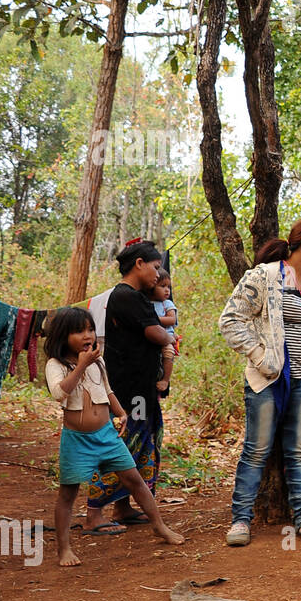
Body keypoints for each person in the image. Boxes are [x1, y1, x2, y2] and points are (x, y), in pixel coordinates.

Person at [220, 219, 301, 547]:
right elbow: (230, 320)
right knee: (256, 450)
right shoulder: (264, 277)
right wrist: (261, 357)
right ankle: (241, 520)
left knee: (299, 453)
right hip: (269, 380)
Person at [44, 307, 183, 565]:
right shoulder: (57, 365)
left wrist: (121, 413)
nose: (87, 335)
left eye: (90, 329)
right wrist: (81, 365)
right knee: (68, 494)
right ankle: (64, 549)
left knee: (135, 480)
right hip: (77, 440)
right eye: (78, 331)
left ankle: (159, 526)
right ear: (62, 336)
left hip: (107, 434)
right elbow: (59, 393)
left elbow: (107, 391)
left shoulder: (98, 361)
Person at [86, 239, 174, 533]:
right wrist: (168, 336)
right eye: (155, 267)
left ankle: (123, 507)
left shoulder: (138, 297)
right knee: (123, 446)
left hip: (143, 387)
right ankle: (94, 515)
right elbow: (158, 335)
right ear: (139, 264)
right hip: (128, 390)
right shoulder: (127, 297)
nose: (157, 274)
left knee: (144, 445)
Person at [148, 268, 178, 395]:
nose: (167, 290)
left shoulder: (167, 304)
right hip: (152, 337)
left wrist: (154, 320)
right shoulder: (146, 302)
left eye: (168, 287)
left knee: (168, 352)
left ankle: (165, 379)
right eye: (162, 286)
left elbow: (172, 319)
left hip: (167, 337)